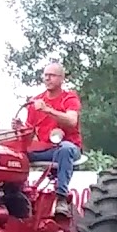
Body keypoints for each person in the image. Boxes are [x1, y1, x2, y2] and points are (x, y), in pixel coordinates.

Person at [13, 62, 83, 217]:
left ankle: (61, 198)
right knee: (16, 155)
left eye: (51, 75)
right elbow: (29, 133)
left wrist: (47, 110)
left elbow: (72, 121)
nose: (47, 78)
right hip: (45, 149)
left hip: (68, 148)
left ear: (61, 78)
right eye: (45, 75)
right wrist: (20, 128)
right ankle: (15, 194)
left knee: (65, 149)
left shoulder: (69, 98)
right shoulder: (35, 101)